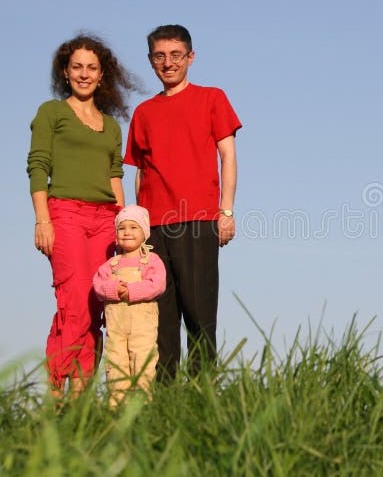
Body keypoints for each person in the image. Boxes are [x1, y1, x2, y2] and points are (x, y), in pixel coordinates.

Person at [124, 24, 242, 379]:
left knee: (200, 313)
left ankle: (202, 395)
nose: (168, 63)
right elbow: (140, 172)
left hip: (198, 219)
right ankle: (164, 399)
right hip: (153, 227)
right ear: (150, 61)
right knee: (160, 317)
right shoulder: (143, 112)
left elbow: (228, 157)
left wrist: (227, 211)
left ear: (190, 58)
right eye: (160, 56)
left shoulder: (212, 98)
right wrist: (137, 225)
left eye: (176, 55)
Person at [27, 34, 139, 399]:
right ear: (65, 71)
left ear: (102, 74)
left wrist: (126, 226)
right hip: (65, 213)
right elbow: (38, 167)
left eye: (92, 68)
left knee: (97, 304)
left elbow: (115, 177)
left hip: (106, 220)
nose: (84, 74)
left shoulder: (111, 126)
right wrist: (42, 220)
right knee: (73, 302)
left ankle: (82, 396)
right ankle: (57, 393)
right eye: (77, 67)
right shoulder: (51, 113)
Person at [93, 205, 166, 406]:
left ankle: (142, 406)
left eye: (134, 227)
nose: (127, 232)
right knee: (116, 363)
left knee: (142, 361)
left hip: (142, 326)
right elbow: (98, 285)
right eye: (122, 228)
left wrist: (131, 291)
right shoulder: (111, 265)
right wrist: (113, 290)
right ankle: (116, 406)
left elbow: (157, 285)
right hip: (116, 329)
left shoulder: (151, 261)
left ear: (145, 233)